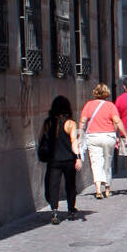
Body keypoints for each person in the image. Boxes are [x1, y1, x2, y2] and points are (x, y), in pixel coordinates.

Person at [78, 84, 127, 200]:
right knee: (107, 162)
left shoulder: (88, 105)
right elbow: (117, 121)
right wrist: (124, 135)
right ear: (107, 93)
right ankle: (107, 189)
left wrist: (80, 135)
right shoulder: (110, 106)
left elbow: (82, 121)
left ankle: (98, 190)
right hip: (108, 136)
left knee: (96, 163)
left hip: (93, 136)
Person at [38, 96, 81, 224]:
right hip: (68, 159)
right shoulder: (70, 123)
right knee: (70, 185)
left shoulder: (48, 122)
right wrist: (78, 158)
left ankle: (55, 212)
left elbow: (41, 139)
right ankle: (71, 210)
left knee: (53, 186)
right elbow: (74, 142)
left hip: (54, 160)